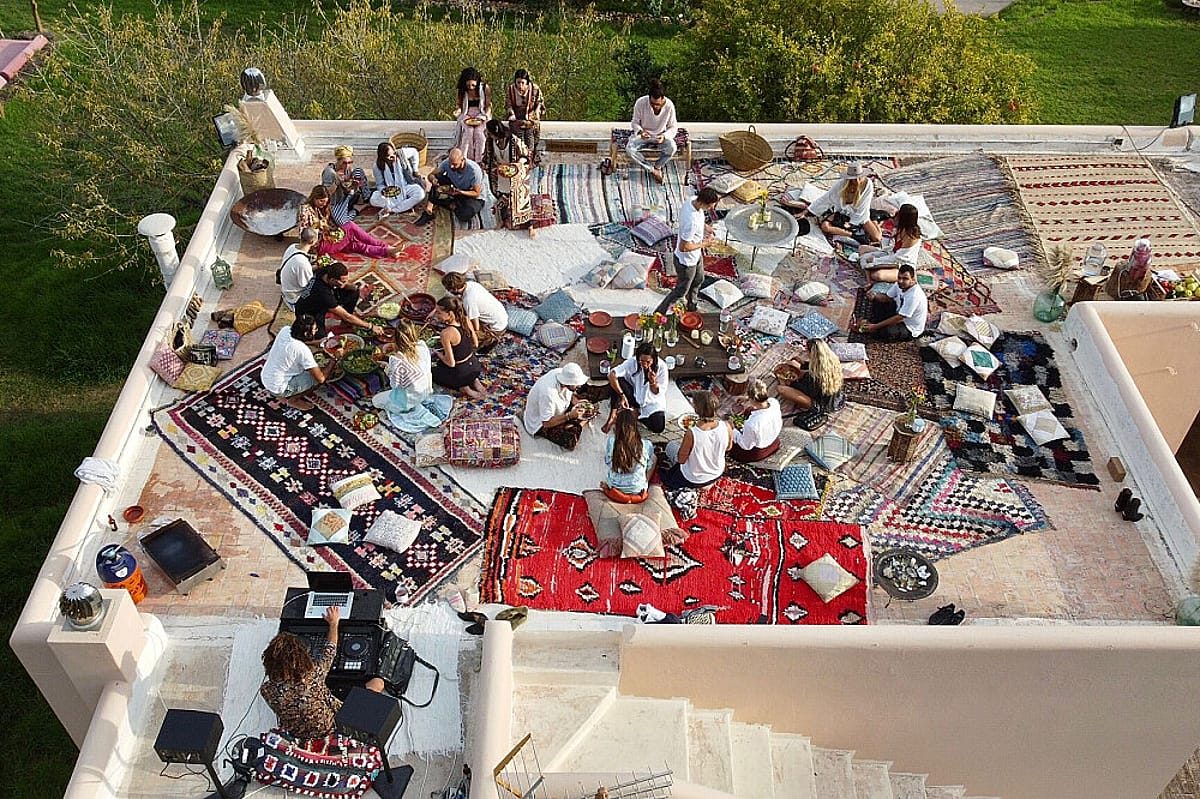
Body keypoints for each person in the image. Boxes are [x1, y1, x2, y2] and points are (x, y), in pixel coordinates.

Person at [260, 607, 385, 743]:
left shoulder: (266, 690)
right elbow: (330, 648)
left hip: (298, 734)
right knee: (377, 683)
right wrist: (333, 623)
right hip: (333, 726)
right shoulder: (312, 675)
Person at [372, 321, 453, 432]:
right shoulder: (422, 345)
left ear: (395, 340)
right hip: (426, 390)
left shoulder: (396, 360)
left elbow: (395, 385)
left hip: (409, 398)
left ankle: (418, 412)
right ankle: (421, 406)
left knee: (376, 401)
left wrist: (388, 369)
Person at [654, 187, 720, 314]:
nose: (711, 209)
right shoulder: (691, 222)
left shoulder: (692, 200)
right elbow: (683, 247)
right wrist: (704, 244)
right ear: (702, 203)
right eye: (710, 206)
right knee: (680, 291)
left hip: (696, 256)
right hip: (686, 262)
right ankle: (659, 313)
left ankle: (692, 306)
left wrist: (706, 227)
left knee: (699, 279)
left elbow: (698, 219)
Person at [260, 315, 342, 410]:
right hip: (279, 388)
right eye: (314, 329)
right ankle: (294, 400)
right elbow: (321, 378)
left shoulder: (285, 330)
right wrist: (335, 359)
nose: (316, 330)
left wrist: (318, 343)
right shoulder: (302, 351)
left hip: (266, 378)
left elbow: (300, 342)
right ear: (307, 333)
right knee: (319, 376)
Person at [297, 185, 400, 259]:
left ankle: (387, 251)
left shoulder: (321, 208)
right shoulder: (305, 210)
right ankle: (385, 246)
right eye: (321, 201)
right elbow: (303, 234)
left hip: (329, 238)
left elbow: (330, 224)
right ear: (314, 198)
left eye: (325, 202)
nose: (323, 204)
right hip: (319, 244)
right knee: (350, 226)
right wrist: (318, 229)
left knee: (356, 245)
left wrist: (335, 233)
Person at [661, 391, 732, 490]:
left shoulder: (692, 433)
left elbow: (681, 460)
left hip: (693, 478)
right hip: (717, 472)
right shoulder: (726, 425)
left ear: (696, 409)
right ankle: (706, 484)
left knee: (671, 446)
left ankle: (699, 484)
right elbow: (728, 447)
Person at [294, 261, 385, 338]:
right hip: (309, 313)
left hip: (322, 300)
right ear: (333, 280)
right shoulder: (324, 294)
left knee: (354, 291)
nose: (345, 283)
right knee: (321, 337)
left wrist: (354, 287)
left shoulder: (326, 270)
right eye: (343, 281)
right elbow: (346, 316)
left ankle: (345, 322)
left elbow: (347, 286)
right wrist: (370, 326)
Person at [482, 119, 536, 237]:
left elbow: (525, 155)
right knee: (501, 198)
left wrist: (517, 165)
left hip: (515, 173)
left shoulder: (513, 140)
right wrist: (486, 165)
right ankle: (501, 220)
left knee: (520, 200)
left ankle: (530, 225)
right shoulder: (490, 141)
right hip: (500, 174)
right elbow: (487, 156)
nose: (488, 134)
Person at [806, 164, 881, 246]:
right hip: (841, 213)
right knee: (825, 227)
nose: (857, 181)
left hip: (860, 214)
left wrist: (851, 224)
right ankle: (853, 235)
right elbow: (826, 198)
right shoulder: (841, 184)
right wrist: (808, 211)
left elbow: (862, 209)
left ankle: (874, 219)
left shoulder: (868, 185)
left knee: (877, 238)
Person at [603, 343, 669, 435]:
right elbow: (611, 375)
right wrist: (622, 396)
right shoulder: (633, 361)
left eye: (648, 362)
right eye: (641, 361)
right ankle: (613, 414)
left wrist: (652, 382)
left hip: (651, 402)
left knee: (658, 427)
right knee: (617, 381)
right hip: (633, 395)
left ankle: (634, 414)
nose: (645, 365)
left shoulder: (662, 367)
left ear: (654, 359)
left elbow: (657, 392)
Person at [522, 362, 591, 450]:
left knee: (586, 402)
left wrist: (577, 402)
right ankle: (581, 423)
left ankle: (573, 422)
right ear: (568, 382)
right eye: (576, 383)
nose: (579, 385)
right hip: (540, 422)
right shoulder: (548, 393)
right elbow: (546, 423)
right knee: (570, 441)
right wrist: (569, 416)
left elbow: (569, 392)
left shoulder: (561, 373)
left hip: (559, 408)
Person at [430, 296, 485, 399]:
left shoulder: (446, 333)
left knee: (431, 372)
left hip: (460, 374)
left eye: (439, 313)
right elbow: (475, 343)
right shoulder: (466, 320)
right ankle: (474, 380)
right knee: (462, 364)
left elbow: (451, 363)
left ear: (450, 314)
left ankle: (465, 388)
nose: (437, 316)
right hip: (474, 365)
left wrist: (438, 354)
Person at [415, 148, 485, 228]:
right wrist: (433, 180)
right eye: (450, 163)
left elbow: (476, 193)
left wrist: (460, 192)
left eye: (455, 164)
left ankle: (451, 203)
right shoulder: (447, 163)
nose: (451, 166)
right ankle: (428, 211)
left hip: (471, 194)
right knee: (439, 177)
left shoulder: (474, 171)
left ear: (462, 160)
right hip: (455, 187)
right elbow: (431, 175)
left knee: (465, 215)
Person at [627, 79, 679, 185]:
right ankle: (652, 169)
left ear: (663, 99)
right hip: (644, 135)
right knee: (630, 148)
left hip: (660, 136)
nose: (655, 106)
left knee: (672, 147)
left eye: (658, 104)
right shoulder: (640, 103)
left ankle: (658, 166)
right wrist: (641, 132)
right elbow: (634, 122)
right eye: (652, 104)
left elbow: (673, 127)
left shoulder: (669, 106)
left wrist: (664, 136)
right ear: (649, 98)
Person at [856, 203, 922, 284]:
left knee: (878, 275)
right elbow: (890, 247)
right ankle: (869, 277)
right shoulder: (901, 228)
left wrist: (876, 260)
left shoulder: (911, 236)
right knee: (862, 249)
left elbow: (899, 258)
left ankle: (869, 280)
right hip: (890, 254)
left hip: (901, 264)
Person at [441, 272, 508, 351]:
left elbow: (476, 327)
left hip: (496, 327)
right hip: (501, 315)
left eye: (448, 289)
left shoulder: (469, 300)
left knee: (464, 335)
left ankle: (488, 341)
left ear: (455, 289)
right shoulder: (471, 284)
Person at [860, 263, 929, 341]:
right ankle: (875, 324)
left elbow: (899, 318)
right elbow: (887, 297)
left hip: (908, 326)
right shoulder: (898, 284)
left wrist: (875, 326)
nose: (900, 281)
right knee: (878, 301)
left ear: (913, 280)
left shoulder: (914, 296)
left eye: (905, 279)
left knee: (885, 332)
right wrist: (874, 296)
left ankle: (875, 326)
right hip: (898, 311)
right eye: (899, 277)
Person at [602, 407, 656, 503]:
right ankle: (645, 481)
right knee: (654, 458)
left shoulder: (611, 441)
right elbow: (649, 465)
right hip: (637, 489)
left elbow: (608, 462)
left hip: (614, 486)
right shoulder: (646, 444)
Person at [776, 339, 845, 414]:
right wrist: (802, 364)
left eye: (807, 351)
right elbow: (815, 365)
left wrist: (787, 381)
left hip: (822, 405)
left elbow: (808, 391)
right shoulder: (832, 361)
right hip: (836, 399)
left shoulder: (815, 376)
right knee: (795, 366)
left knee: (781, 389)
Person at [730, 379, 783, 462]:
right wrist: (747, 398)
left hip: (758, 452)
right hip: (774, 442)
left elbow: (745, 445)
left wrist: (732, 430)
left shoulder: (752, 424)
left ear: (753, 399)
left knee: (728, 440)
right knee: (749, 410)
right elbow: (763, 402)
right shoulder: (774, 403)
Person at [370, 141, 427, 216]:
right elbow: (380, 184)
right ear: (382, 156)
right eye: (389, 156)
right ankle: (403, 205)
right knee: (373, 199)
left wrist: (415, 170)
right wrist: (385, 191)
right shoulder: (377, 166)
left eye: (393, 153)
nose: (393, 157)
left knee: (420, 194)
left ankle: (393, 209)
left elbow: (414, 152)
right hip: (390, 191)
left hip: (406, 186)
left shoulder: (401, 153)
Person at [321, 145, 371, 225]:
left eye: (349, 162)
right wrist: (337, 183)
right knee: (341, 221)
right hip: (336, 201)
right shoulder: (329, 173)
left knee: (358, 171)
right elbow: (326, 194)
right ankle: (357, 209)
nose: (347, 166)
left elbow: (348, 185)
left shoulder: (347, 168)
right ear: (338, 160)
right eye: (344, 163)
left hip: (348, 194)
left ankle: (367, 197)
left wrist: (355, 184)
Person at [504, 68, 545, 163]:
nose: (520, 85)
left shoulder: (534, 89)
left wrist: (535, 115)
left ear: (527, 82)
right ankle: (520, 157)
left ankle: (530, 157)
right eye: (518, 82)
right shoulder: (511, 90)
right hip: (516, 116)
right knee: (518, 135)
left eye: (522, 83)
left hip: (530, 116)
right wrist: (512, 114)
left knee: (530, 134)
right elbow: (508, 105)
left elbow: (539, 104)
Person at [453, 67, 491, 162]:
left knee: (479, 134)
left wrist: (484, 116)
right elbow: (460, 106)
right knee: (468, 133)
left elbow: (488, 105)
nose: (470, 87)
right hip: (467, 113)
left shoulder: (484, 88)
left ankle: (480, 159)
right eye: (468, 85)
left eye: (473, 85)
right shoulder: (462, 91)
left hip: (481, 113)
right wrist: (457, 111)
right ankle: (465, 158)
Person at [279, 227, 318, 310]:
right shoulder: (302, 263)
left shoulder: (292, 247)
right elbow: (307, 285)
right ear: (313, 242)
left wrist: (317, 266)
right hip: (293, 298)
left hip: (285, 288)